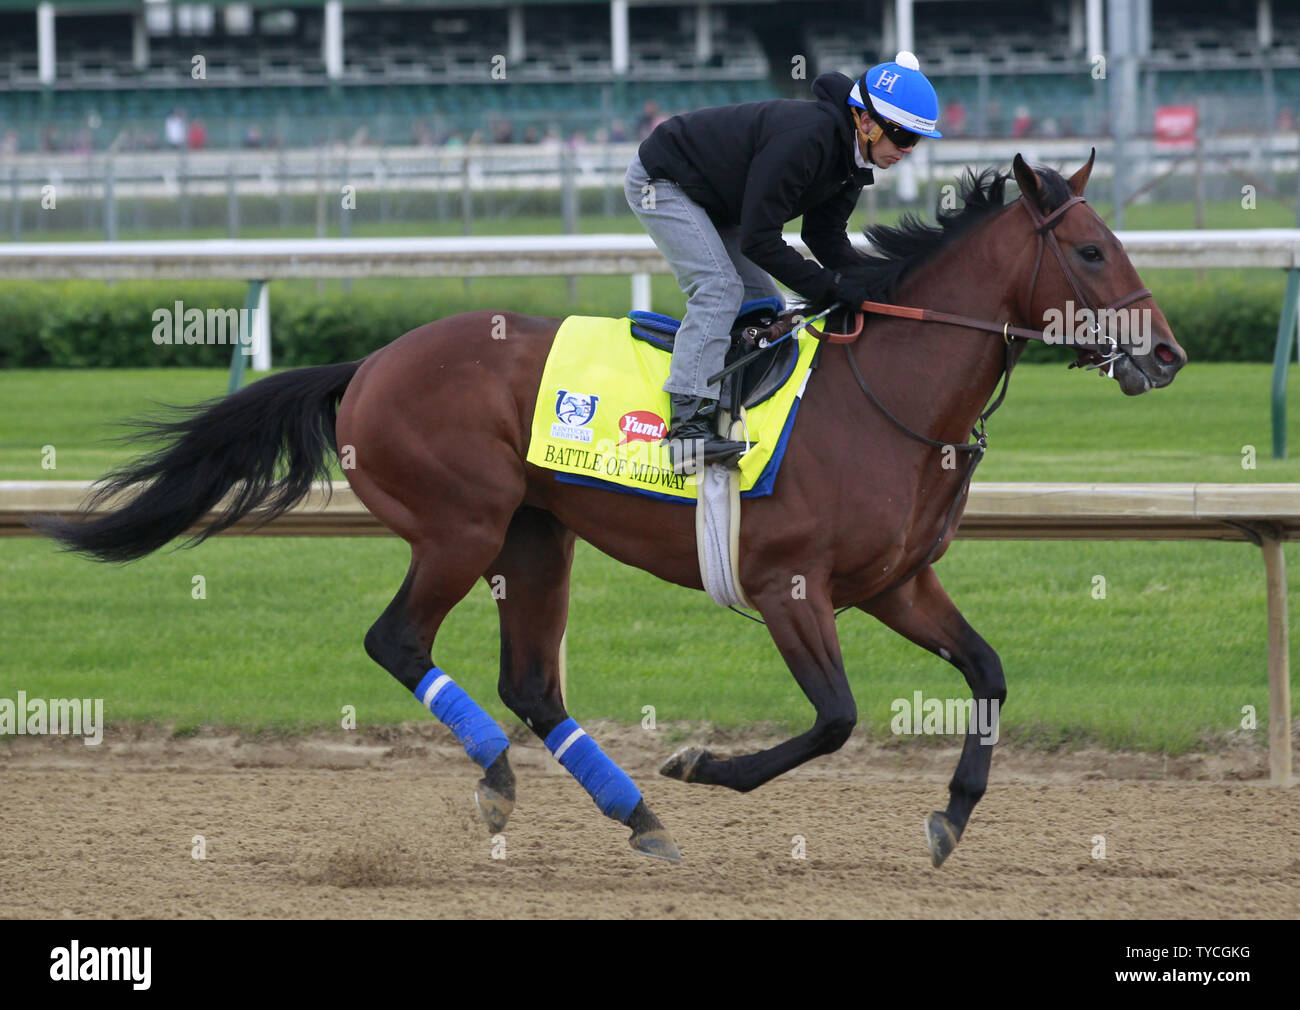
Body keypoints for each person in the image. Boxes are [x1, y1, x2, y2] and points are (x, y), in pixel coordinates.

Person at [625, 51, 942, 473]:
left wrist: (877, 281)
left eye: (915, 141)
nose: (906, 150)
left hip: (716, 199)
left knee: (766, 309)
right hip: (663, 179)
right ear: (865, 121)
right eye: (901, 137)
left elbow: (823, 238)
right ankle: (687, 431)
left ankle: (729, 410)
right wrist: (831, 288)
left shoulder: (853, 160)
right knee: (720, 289)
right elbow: (760, 239)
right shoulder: (807, 138)